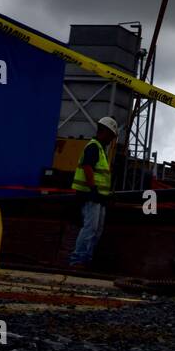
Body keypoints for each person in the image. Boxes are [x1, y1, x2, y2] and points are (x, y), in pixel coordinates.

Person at [68, 115, 118, 271]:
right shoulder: (93, 147)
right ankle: (78, 260)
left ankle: (86, 260)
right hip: (92, 196)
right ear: (104, 132)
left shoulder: (101, 149)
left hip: (99, 197)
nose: (111, 140)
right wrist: (94, 189)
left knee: (96, 229)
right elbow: (88, 167)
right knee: (90, 228)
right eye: (110, 136)